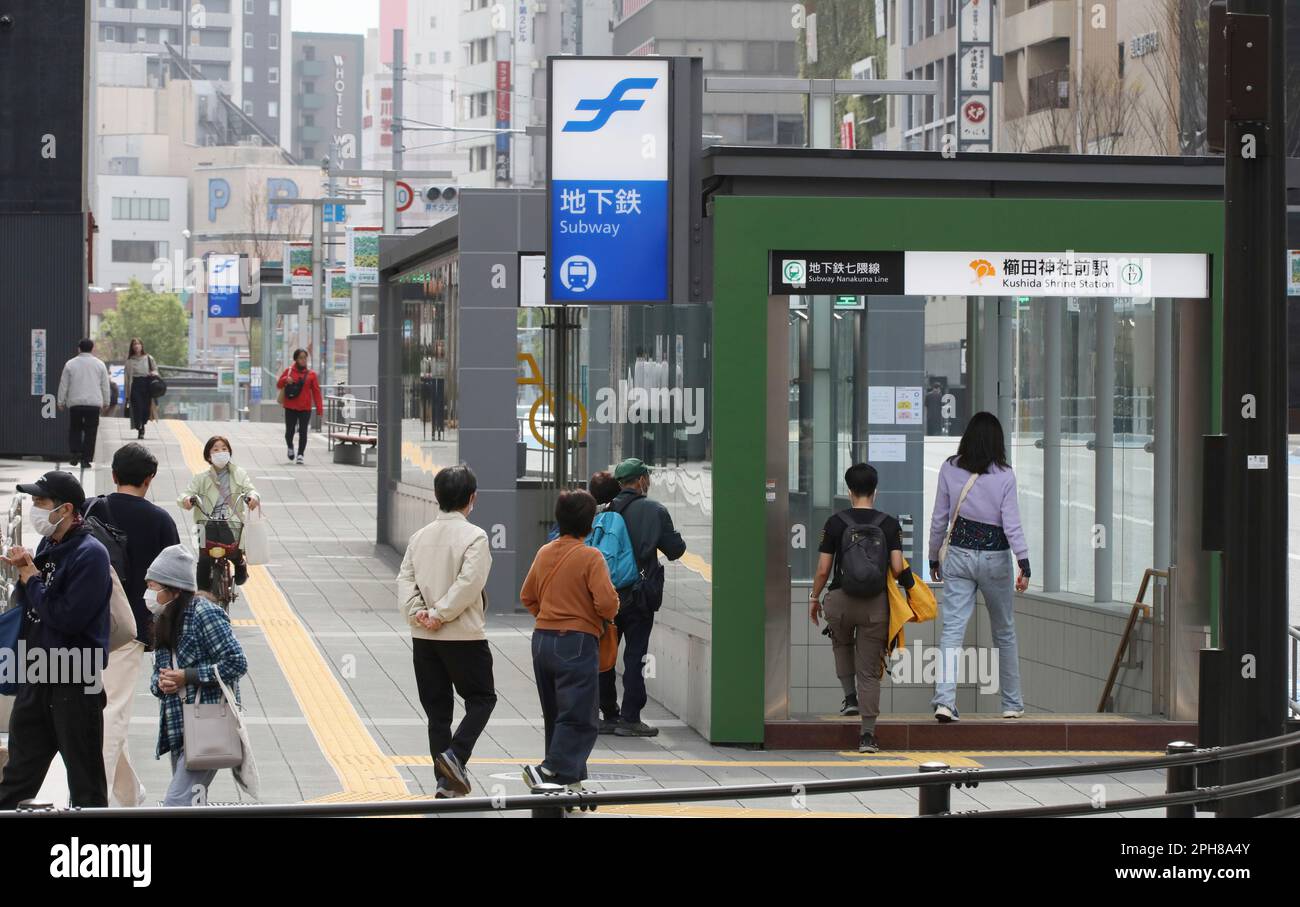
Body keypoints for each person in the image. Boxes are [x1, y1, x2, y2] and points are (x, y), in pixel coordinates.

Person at [0, 471, 112, 809]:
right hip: (38, 674)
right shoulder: (50, 544)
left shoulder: (90, 554)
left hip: (75, 678)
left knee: (85, 782)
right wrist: (24, 575)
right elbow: (33, 602)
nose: (34, 508)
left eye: (40, 502)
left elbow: (67, 617)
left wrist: (30, 576)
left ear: (64, 508)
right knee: (17, 777)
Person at [396, 465, 496, 799]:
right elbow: (469, 584)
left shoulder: (419, 537)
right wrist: (440, 614)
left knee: (437, 712)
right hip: (464, 636)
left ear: (437, 496)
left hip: (423, 637)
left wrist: (419, 614)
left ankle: (444, 782)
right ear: (472, 498)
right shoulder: (475, 537)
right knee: (482, 699)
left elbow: (405, 580)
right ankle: (455, 757)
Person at [91, 443, 181, 807]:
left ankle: (129, 795)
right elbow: (176, 583)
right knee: (113, 711)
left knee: (105, 707)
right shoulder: (161, 521)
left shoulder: (91, 509)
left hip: (86, 626)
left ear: (114, 475)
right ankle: (94, 798)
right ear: (150, 479)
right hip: (130, 632)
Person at [927, 411, 1030, 722]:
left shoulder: (950, 468)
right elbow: (1012, 525)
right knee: (1004, 632)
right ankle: (1011, 704)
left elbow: (939, 518)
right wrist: (1024, 562)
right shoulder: (1004, 475)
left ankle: (945, 701)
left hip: (958, 556)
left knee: (952, 632)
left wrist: (933, 556)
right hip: (996, 558)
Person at [809, 463, 914, 754]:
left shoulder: (835, 522)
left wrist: (814, 598)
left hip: (840, 601)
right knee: (869, 670)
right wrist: (913, 590)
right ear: (875, 491)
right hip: (875, 605)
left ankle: (849, 698)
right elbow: (896, 568)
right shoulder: (890, 524)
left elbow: (822, 569)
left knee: (841, 642)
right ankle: (867, 736)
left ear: (849, 491)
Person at [519, 490, 619, 791]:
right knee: (580, 715)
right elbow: (607, 604)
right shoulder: (591, 556)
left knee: (557, 714)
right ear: (589, 524)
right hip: (576, 642)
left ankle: (569, 784)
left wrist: (549, 616)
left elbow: (528, 596)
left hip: (542, 640)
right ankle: (548, 770)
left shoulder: (545, 551)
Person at [146, 545, 248, 807]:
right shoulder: (163, 618)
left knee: (176, 805)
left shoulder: (204, 613)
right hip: (180, 727)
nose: (148, 593)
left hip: (206, 726)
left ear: (174, 589)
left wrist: (188, 676)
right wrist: (161, 683)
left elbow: (236, 662)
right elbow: (159, 675)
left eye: (153, 586)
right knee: (190, 804)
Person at [603, 458, 686, 737]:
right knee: (635, 656)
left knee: (606, 655)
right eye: (646, 477)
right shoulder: (654, 510)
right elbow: (675, 550)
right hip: (639, 595)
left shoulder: (607, 510)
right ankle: (630, 717)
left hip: (609, 594)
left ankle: (608, 714)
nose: (648, 481)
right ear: (640, 481)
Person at [179, 436, 260, 593]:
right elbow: (185, 494)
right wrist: (187, 500)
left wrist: (253, 497)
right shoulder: (201, 478)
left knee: (233, 551)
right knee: (204, 558)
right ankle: (202, 595)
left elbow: (250, 489)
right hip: (206, 521)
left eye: (224, 449)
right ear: (208, 456)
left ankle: (239, 563)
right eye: (215, 449)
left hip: (230, 521)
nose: (220, 452)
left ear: (229, 452)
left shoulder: (239, 474)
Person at [588, 470, 631, 734]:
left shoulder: (584, 515)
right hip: (610, 594)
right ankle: (611, 711)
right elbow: (607, 563)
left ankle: (595, 708)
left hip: (584, 599)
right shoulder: (614, 519)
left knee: (597, 655)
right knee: (608, 656)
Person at [57, 338, 111, 469]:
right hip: (93, 404)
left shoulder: (70, 364)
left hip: (75, 403)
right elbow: (105, 385)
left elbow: (64, 384)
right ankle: (86, 459)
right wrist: (106, 401)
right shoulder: (99, 364)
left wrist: (60, 401)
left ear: (79, 348)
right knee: (90, 432)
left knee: (75, 428)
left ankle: (75, 452)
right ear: (92, 349)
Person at [277, 348, 324, 466]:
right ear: (296, 359)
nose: (303, 360)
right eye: (301, 358)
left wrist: (319, 409)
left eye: (305, 358)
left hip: (305, 408)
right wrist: (285, 379)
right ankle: (290, 447)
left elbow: (316, 392)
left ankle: (300, 454)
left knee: (303, 431)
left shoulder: (311, 375)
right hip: (290, 406)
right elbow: (278, 385)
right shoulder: (289, 371)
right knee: (289, 431)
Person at [123, 338, 159, 440]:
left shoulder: (148, 358)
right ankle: (140, 428)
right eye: (134, 344)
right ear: (132, 347)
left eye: (138, 344)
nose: (136, 346)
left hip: (147, 385)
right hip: (135, 385)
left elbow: (156, 370)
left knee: (146, 409)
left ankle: (143, 423)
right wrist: (126, 394)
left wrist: (153, 373)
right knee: (137, 407)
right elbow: (126, 378)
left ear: (142, 346)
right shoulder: (129, 361)